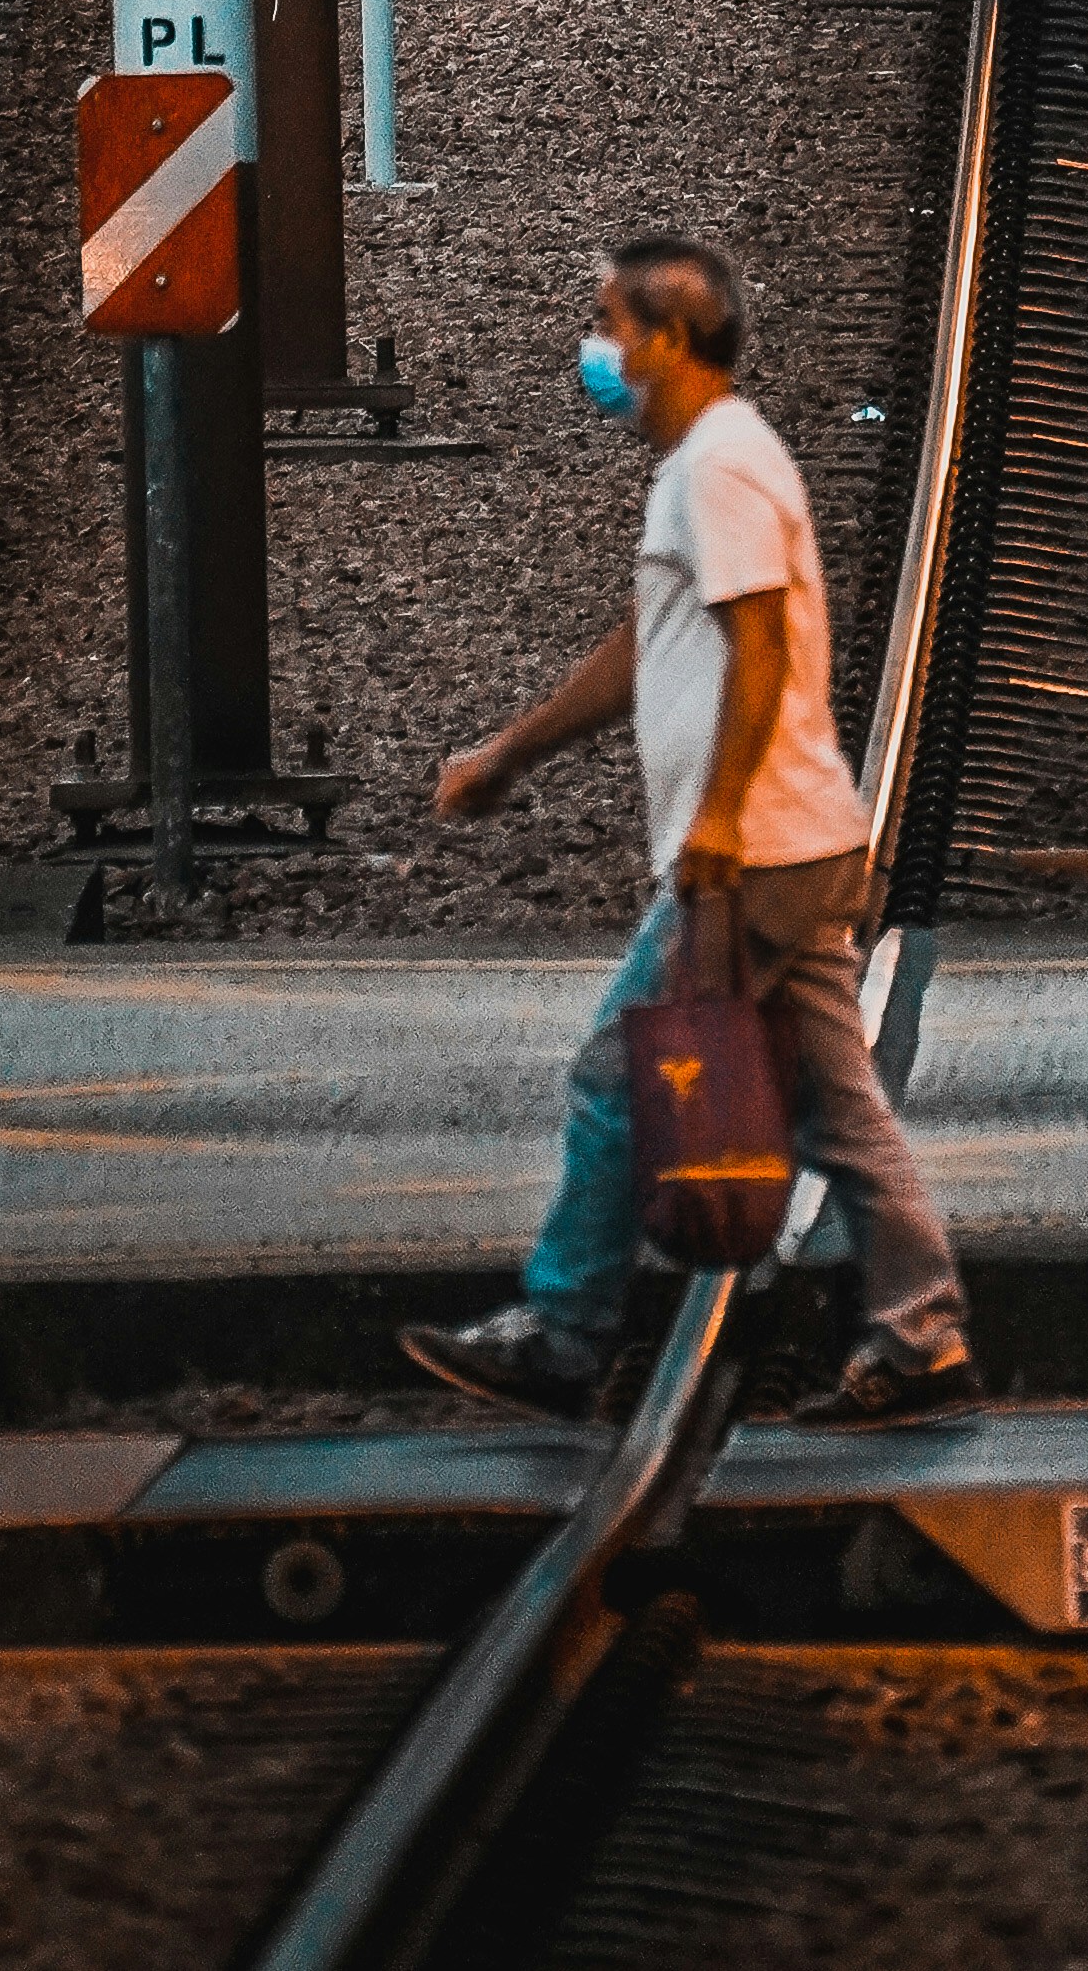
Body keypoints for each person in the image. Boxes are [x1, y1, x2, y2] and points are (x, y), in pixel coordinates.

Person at [399, 235, 980, 1429]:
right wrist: (511, 751)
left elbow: (760, 644)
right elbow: (646, 646)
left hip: (755, 851)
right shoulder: (704, 471)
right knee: (836, 1107)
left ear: (669, 339)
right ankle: (923, 1335)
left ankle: (566, 1332)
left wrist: (714, 817)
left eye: (611, 322)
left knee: (618, 1074)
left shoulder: (718, 465)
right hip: (787, 841)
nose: (597, 348)